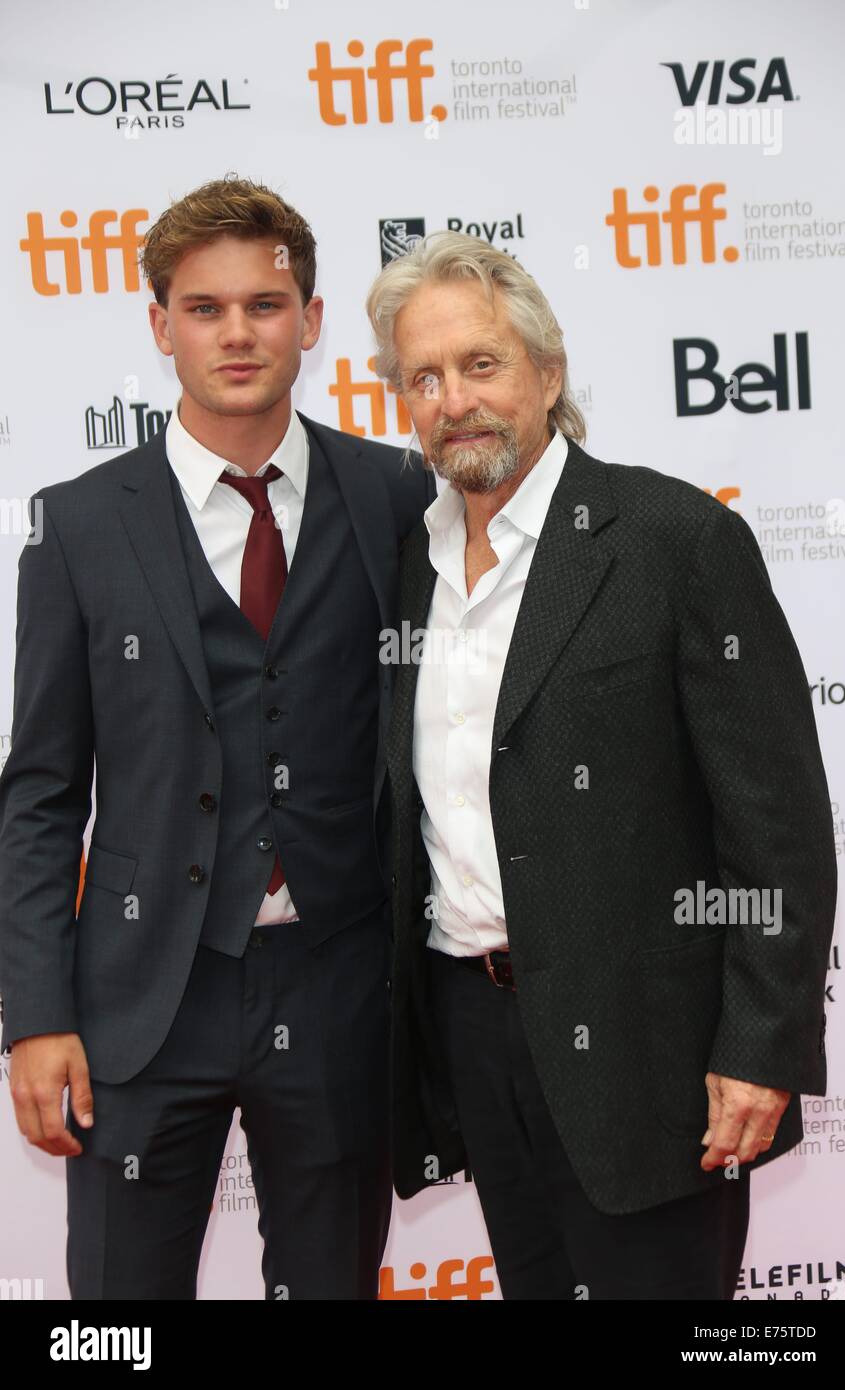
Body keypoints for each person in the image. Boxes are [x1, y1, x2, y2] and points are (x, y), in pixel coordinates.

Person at [366, 230, 836, 1300]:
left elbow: (775, 827)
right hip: (475, 1032)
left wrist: (761, 1045)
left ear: (546, 369)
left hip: (650, 1051)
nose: (452, 399)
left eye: (479, 364)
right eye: (421, 378)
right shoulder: (412, 566)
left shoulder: (672, 540)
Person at [0, 175, 432, 1300]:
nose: (237, 332)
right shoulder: (79, 525)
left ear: (312, 320)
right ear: (159, 326)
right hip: (142, 996)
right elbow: (42, 792)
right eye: (204, 308)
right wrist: (34, 1014)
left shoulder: (395, 493)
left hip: (336, 982)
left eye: (265, 304)